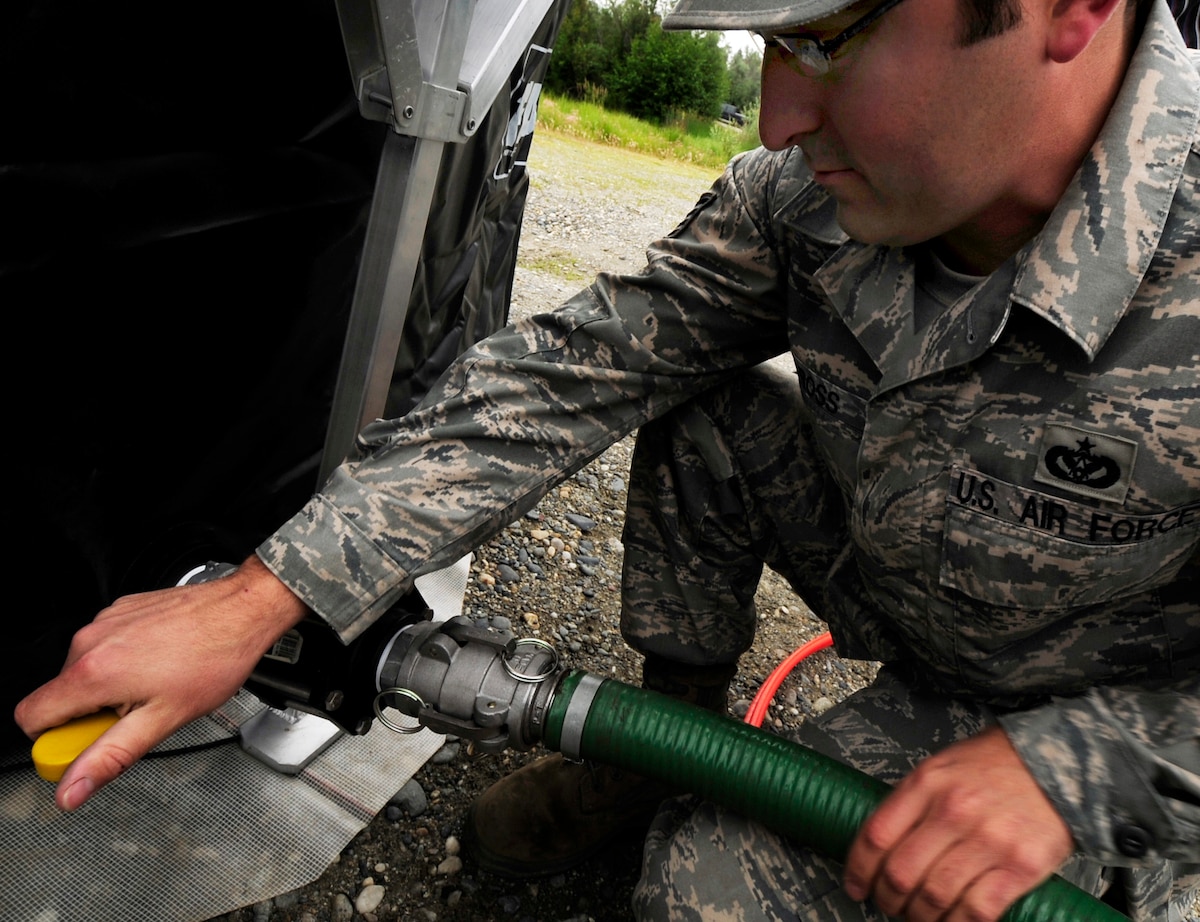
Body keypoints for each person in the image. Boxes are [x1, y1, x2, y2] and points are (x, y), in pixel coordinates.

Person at [15, 0, 1198, 918]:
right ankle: (656, 749)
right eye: (764, 48)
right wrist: (261, 594)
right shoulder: (806, 204)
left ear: (1068, 11)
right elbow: (573, 367)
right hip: (911, 593)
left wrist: (1075, 769)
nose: (780, 120)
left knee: (705, 887)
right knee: (709, 409)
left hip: (1118, 719)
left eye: (829, 42)